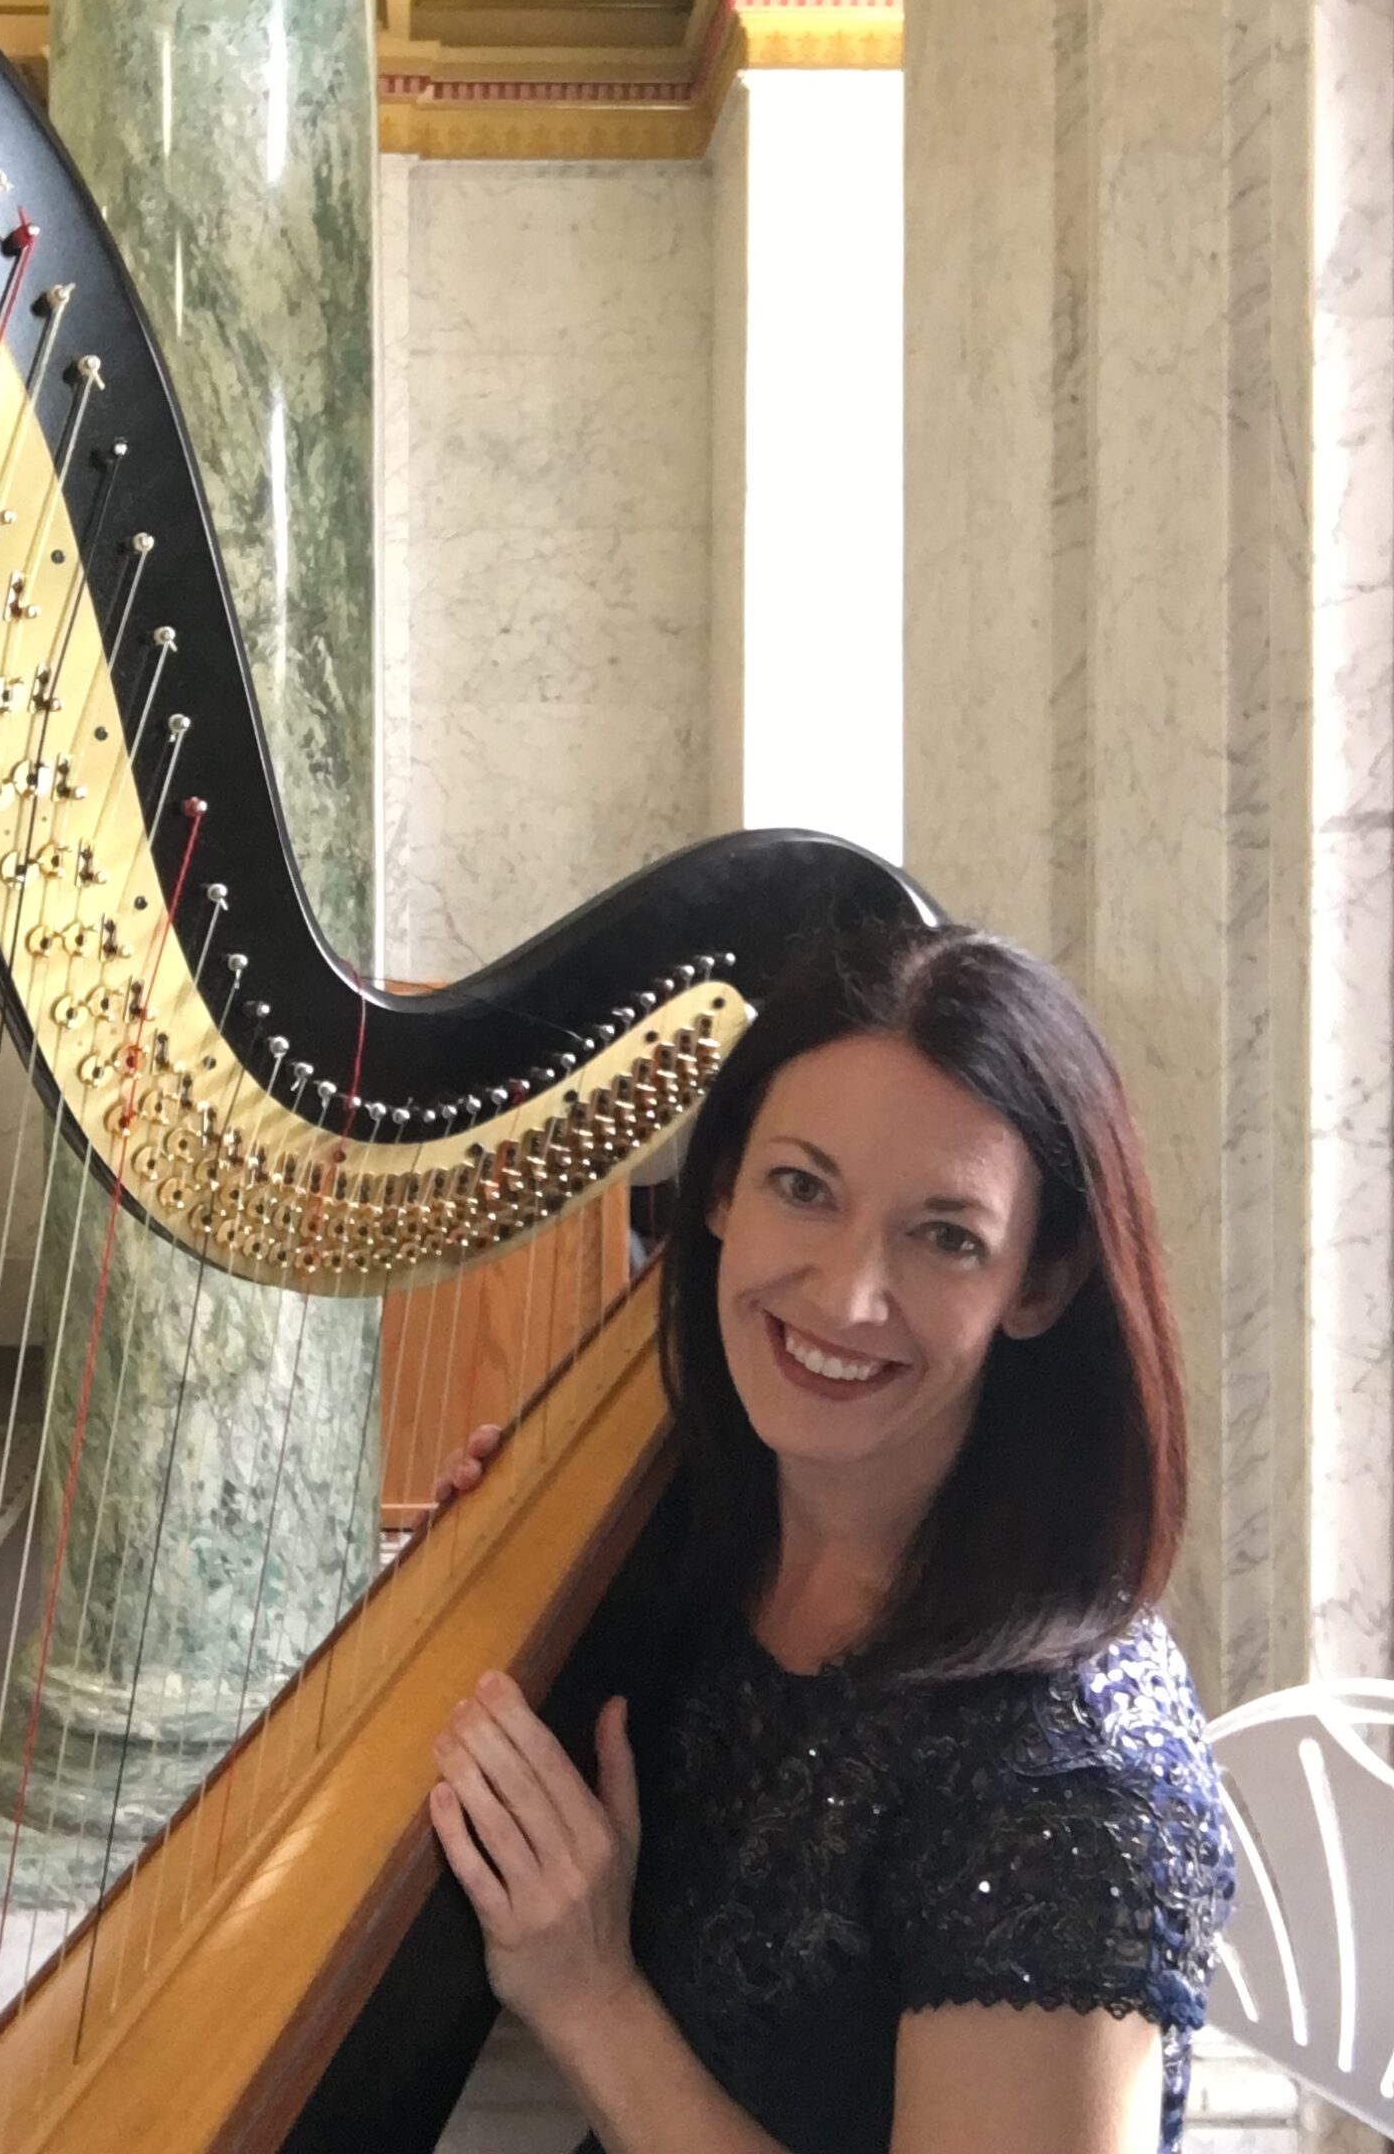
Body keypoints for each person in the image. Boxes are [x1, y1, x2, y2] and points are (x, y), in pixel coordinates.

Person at [427, 922, 1234, 2154]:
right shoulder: (698, 1527)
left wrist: (592, 1999)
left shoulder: (1072, 1785)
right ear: (719, 1191)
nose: (846, 1295)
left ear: (1042, 1283)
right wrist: (488, 1599)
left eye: (945, 1235)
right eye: (803, 1188)